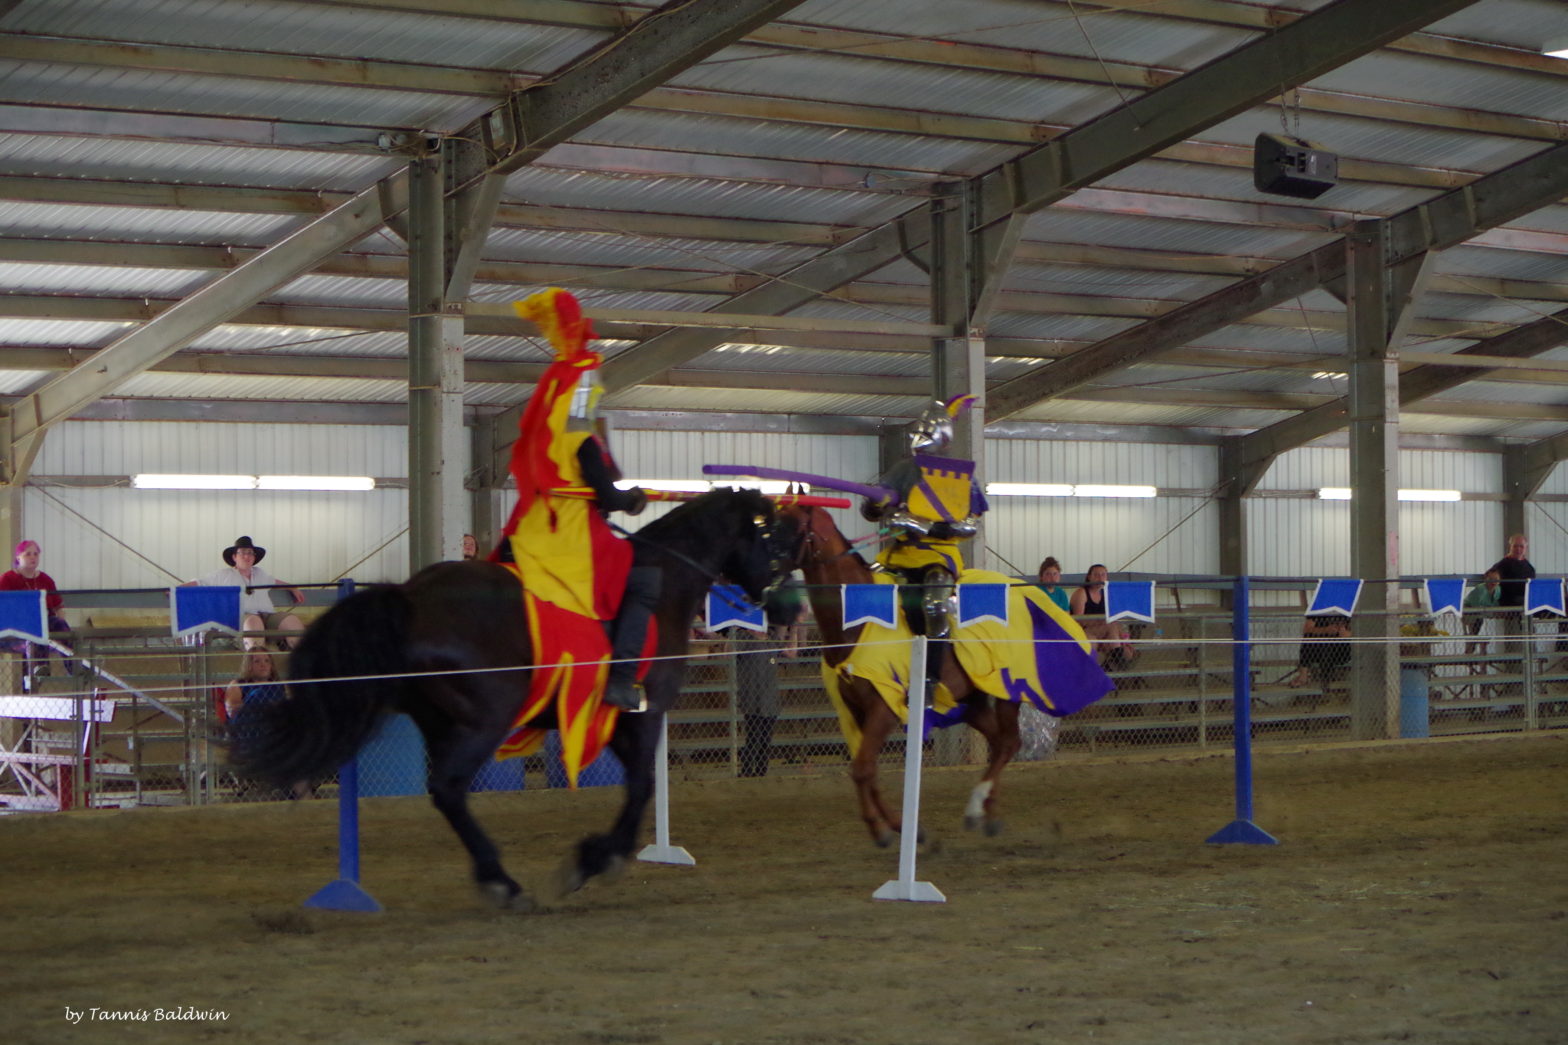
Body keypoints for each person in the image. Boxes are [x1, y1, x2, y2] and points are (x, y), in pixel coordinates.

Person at [502, 288, 652, 712]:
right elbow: (586, 451)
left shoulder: (555, 376)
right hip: (569, 525)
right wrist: (623, 499)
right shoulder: (583, 375)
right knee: (642, 583)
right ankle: (621, 681)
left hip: (536, 518)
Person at [861, 394, 986, 698]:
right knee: (860, 585)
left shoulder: (961, 478)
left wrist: (921, 524)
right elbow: (870, 509)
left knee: (934, 602)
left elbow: (970, 525)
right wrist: (878, 506)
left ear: (943, 438)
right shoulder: (903, 470)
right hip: (898, 553)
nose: (918, 438)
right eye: (917, 431)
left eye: (926, 433)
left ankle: (929, 680)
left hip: (939, 555)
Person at [729, 579, 806, 778]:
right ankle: (747, 770)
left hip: (769, 695)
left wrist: (794, 628)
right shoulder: (744, 637)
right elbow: (728, 652)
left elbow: (791, 653)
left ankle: (761, 770)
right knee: (753, 734)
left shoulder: (771, 638)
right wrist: (740, 627)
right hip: (752, 694)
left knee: (765, 736)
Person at [187, 536, 306, 651]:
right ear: (234, 557)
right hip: (241, 617)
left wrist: (292, 587)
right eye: (242, 552)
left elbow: (275, 582)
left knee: (292, 621)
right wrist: (175, 590)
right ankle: (256, 661)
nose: (247, 556)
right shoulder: (223, 575)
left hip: (267, 615)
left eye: (250, 553)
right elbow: (199, 582)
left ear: (254, 557)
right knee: (253, 623)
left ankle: (303, 662)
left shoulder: (260, 574)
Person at [0, 539, 74, 676]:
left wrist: (61, 620)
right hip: (17, 624)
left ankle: (74, 667)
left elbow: (59, 607)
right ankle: (40, 666)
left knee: (60, 624)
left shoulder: (46, 580)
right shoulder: (7, 579)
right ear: (18, 557)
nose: (33, 557)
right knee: (37, 625)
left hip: (44, 621)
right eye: (28, 554)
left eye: (36, 554)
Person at [1070, 563, 1134, 669]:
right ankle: (1118, 659)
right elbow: (1079, 620)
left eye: (1103, 575)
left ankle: (1115, 664)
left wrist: (1124, 638)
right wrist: (1102, 622)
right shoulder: (1081, 593)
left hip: (1103, 631)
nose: (1100, 578)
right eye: (1096, 575)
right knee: (1109, 626)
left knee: (1127, 651)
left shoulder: (1106, 594)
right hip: (1084, 630)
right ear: (1089, 577)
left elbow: (1113, 617)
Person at [1283, 615, 1352, 689]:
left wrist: (1348, 634)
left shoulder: (1348, 609)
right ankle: (1303, 676)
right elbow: (1307, 629)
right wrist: (1325, 630)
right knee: (1308, 637)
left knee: (1330, 647)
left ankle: (1326, 680)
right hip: (1320, 650)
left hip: (1341, 650)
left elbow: (1362, 630)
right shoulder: (1318, 610)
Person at [1489, 533, 1534, 612]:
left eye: (1521, 546)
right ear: (1510, 547)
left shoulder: (1529, 568)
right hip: (1507, 600)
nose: (1518, 549)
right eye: (1515, 546)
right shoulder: (1501, 565)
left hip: (1525, 599)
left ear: (1526, 548)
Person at [1464, 569, 1503, 655]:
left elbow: (1496, 603)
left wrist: (1496, 612)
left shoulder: (1498, 590)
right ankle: (1471, 646)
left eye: (1496, 579)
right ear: (1485, 579)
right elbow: (1475, 605)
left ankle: (1472, 644)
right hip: (1469, 609)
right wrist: (1490, 613)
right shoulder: (1480, 589)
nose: (1493, 581)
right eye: (1490, 579)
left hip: (1485, 610)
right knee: (1477, 621)